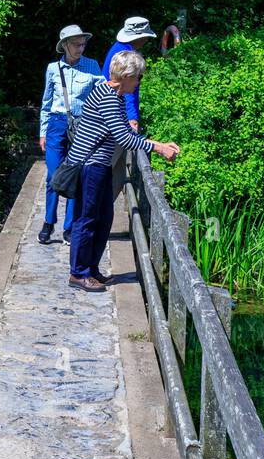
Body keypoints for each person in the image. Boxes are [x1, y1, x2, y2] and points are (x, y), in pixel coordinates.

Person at [64, 51, 181, 291]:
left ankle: (92, 269)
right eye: (138, 77)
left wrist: (154, 142)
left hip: (100, 166)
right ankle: (78, 273)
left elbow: (122, 131)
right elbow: (124, 138)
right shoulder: (107, 96)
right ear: (126, 76)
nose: (139, 82)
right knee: (86, 220)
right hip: (90, 166)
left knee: (104, 218)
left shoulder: (112, 95)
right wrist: (158, 147)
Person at [38, 24, 103, 245]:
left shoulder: (93, 66)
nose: (80, 47)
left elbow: (103, 96)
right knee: (53, 175)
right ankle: (48, 222)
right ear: (65, 45)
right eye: (76, 44)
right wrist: (42, 132)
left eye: (83, 43)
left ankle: (69, 227)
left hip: (83, 125)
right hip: (56, 125)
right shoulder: (52, 68)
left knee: (76, 174)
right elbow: (46, 103)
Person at [102, 16, 156, 133]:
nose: (147, 39)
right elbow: (126, 88)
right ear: (140, 37)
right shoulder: (125, 55)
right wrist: (131, 117)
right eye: (146, 36)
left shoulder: (121, 47)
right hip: (118, 108)